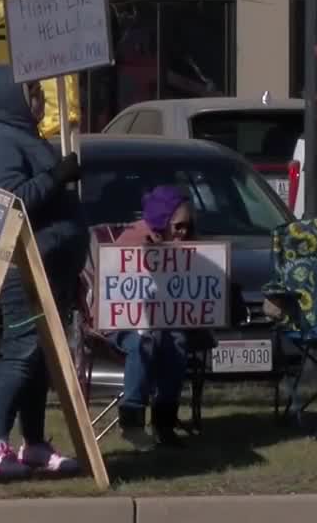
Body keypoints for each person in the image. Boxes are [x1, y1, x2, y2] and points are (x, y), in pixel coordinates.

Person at [0, 64, 88, 478]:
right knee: (20, 352)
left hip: (53, 267)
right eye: (32, 92)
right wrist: (56, 177)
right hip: (24, 266)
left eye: (40, 91)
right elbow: (12, 200)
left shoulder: (29, 139)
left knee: (40, 359)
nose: (40, 99)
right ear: (10, 99)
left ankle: (34, 444)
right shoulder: (0, 145)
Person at [111, 184, 194, 450]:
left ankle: (164, 422)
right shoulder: (132, 240)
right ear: (162, 221)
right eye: (178, 226)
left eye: (187, 227)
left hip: (165, 320)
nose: (184, 233)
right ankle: (132, 421)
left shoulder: (186, 245)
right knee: (143, 340)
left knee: (176, 341)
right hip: (123, 322)